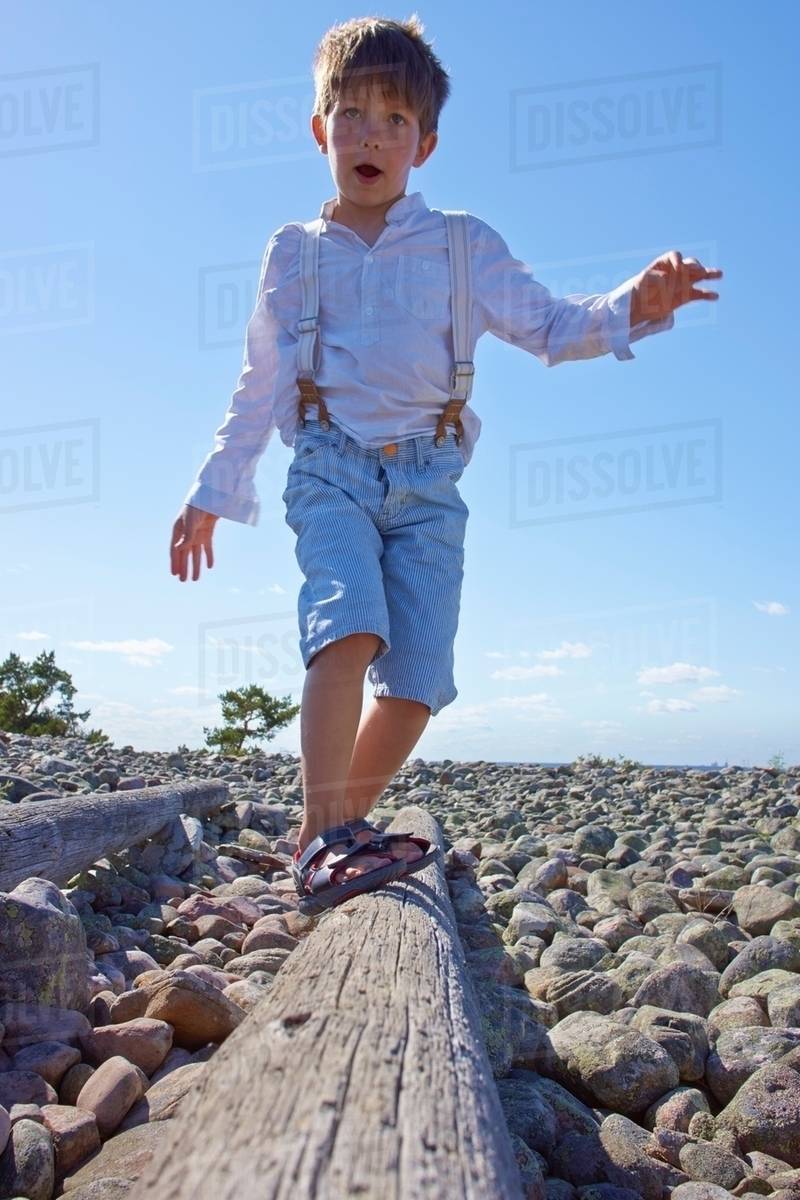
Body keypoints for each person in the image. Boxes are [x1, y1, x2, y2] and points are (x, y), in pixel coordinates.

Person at [169, 15, 722, 915]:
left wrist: (639, 302)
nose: (371, 136)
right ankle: (324, 841)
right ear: (321, 131)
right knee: (347, 627)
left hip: (430, 485)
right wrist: (212, 489)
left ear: (424, 142)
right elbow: (260, 381)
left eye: (394, 120)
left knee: (419, 681)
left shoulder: (463, 244)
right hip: (331, 467)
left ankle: (335, 829)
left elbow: (550, 325)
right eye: (351, 115)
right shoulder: (294, 253)